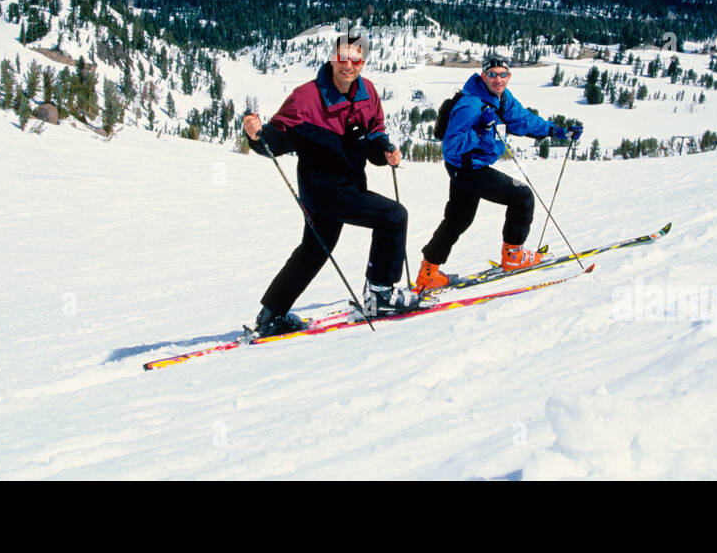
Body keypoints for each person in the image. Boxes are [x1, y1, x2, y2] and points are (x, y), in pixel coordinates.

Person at [243, 32, 420, 335]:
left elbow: (375, 136)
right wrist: (256, 134)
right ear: (331, 58)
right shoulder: (306, 98)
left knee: (314, 250)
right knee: (393, 216)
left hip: (350, 184)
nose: (347, 65)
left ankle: (271, 315)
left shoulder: (368, 95)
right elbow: (277, 138)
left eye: (355, 59)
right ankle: (379, 295)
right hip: (322, 189)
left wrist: (386, 151)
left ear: (363, 62)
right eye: (342, 57)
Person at [415, 53, 582, 291]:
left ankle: (428, 271)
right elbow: (451, 145)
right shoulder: (470, 105)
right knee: (521, 196)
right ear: (483, 75)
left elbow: (523, 120)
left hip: (466, 167)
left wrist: (557, 131)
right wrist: (482, 131)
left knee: (458, 219)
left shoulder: (502, 98)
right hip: (468, 167)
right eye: (492, 74)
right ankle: (513, 256)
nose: (498, 79)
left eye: (503, 74)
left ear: (509, 76)